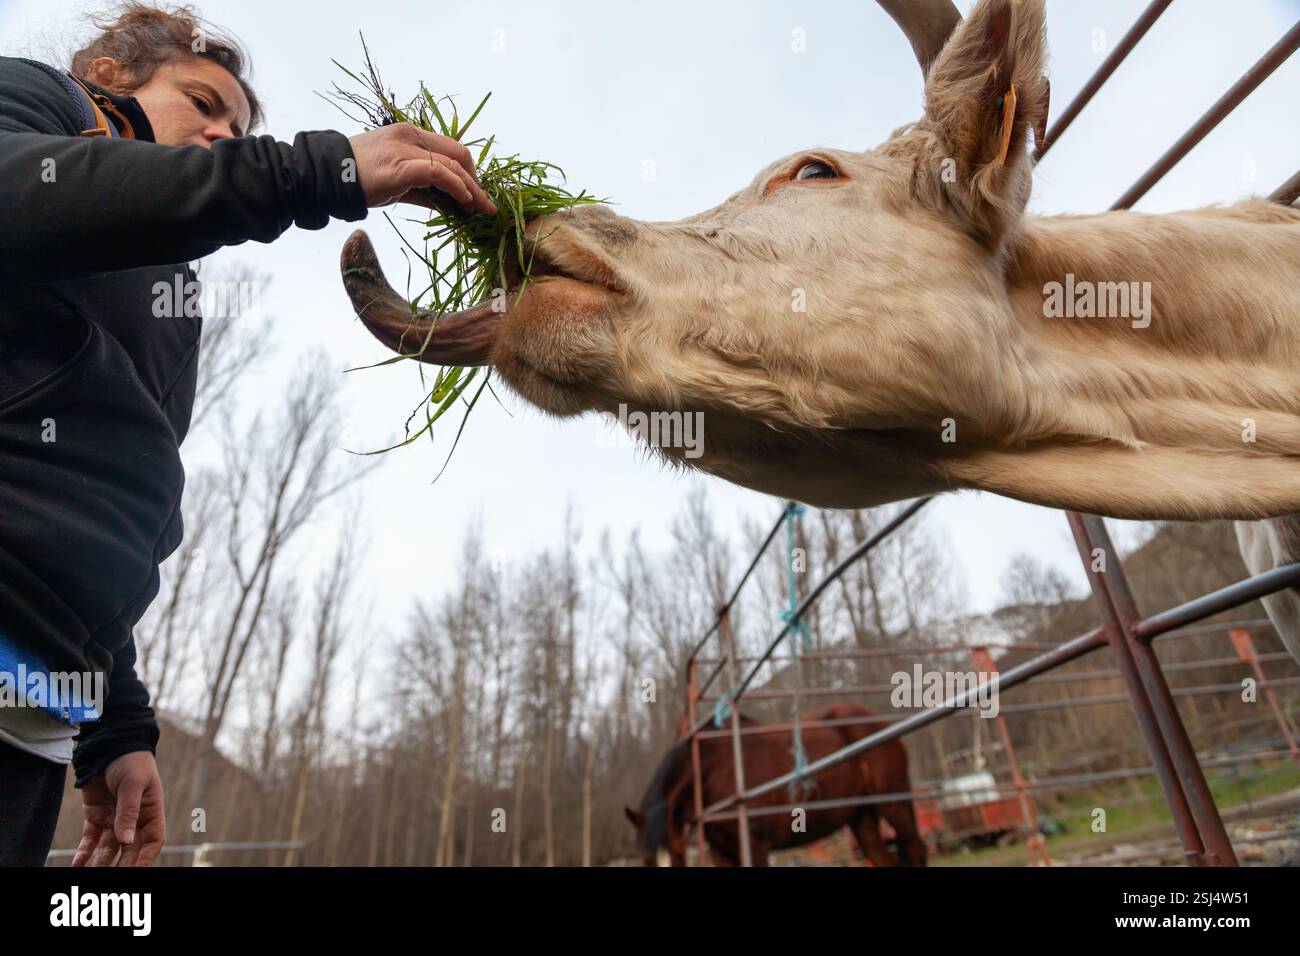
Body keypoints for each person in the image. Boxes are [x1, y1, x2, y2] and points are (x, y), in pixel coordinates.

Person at [0, 2, 494, 867]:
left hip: (33, 711)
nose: (225, 135)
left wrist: (114, 726)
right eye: (203, 103)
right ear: (112, 72)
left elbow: (113, 494)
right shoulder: (35, 101)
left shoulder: (170, 290)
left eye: (239, 126)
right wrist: (319, 172)